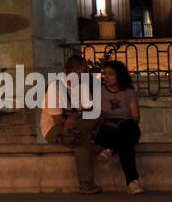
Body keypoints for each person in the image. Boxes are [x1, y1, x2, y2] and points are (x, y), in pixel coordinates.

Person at [40, 56, 101, 194]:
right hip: (54, 129)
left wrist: (75, 117)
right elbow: (56, 118)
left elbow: (90, 110)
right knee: (83, 137)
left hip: (74, 127)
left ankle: (86, 184)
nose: (87, 73)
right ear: (77, 71)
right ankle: (86, 183)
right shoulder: (55, 87)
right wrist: (72, 122)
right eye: (85, 70)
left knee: (99, 115)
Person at [94, 60, 144, 194]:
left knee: (128, 130)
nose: (106, 77)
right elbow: (96, 115)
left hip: (125, 125)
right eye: (105, 74)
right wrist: (109, 123)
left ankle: (110, 148)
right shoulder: (99, 91)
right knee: (126, 144)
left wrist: (123, 123)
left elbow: (135, 116)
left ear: (119, 75)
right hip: (106, 125)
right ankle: (133, 181)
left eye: (110, 74)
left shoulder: (128, 92)